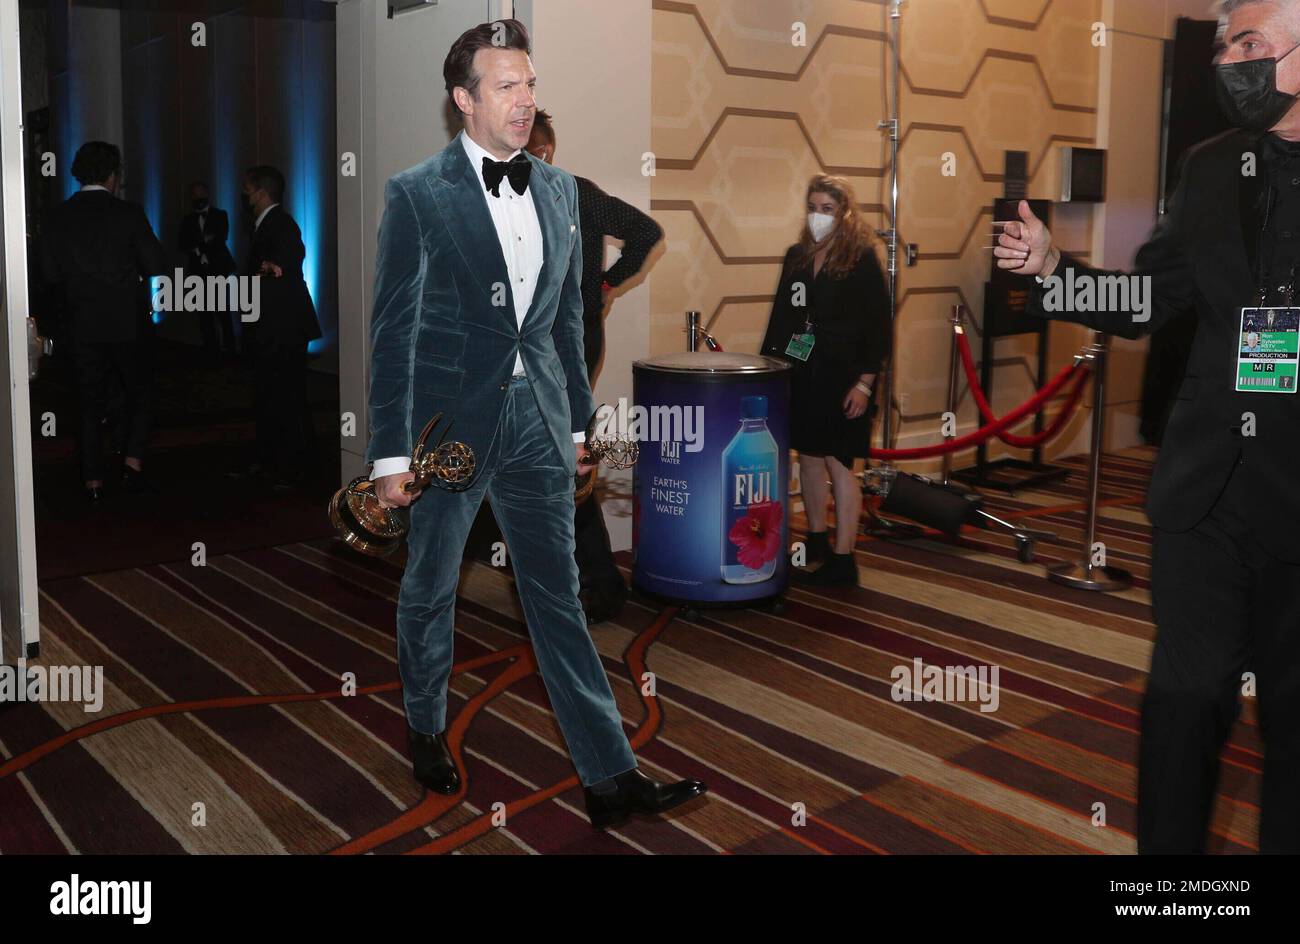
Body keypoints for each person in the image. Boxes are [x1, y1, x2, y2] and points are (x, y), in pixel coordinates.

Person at [365, 19, 705, 829]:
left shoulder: (558, 189)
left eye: (531, 85)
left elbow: (559, 326)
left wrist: (580, 427)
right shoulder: (416, 194)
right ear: (464, 100)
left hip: (538, 424)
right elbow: (393, 331)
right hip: (448, 429)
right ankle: (423, 724)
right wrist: (387, 453)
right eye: (507, 87)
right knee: (431, 585)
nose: (525, 102)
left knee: (558, 598)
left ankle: (609, 776)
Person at [995, 0, 1300, 855]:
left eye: (1251, 43)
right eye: (1225, 45)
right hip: (1205, 492)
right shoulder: (1207, 168)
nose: (1230, 62)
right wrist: (1057, 275)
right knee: (1183, 700)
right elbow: (1149, 300)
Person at [525, 108, 664, 623]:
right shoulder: (524, 195)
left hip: (567, 343)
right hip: (547, 342)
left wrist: (604, 285)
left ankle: (599, 584)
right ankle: (570, 580)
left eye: (531, 149)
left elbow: (646, 231)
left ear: (546, 150)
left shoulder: (575, 192)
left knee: (567, 461)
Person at [760, 174, 891, 586]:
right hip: (804, 371)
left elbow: (879, 327)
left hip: (847, 376)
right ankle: (816, 538)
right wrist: (772, 371)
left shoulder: (861, 259)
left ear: (845, 214)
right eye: (813, 207)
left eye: (828, 209)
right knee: (810, 460)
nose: (819, 216)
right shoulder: (797, 256)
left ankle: (843, 558)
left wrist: (866, 382)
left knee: (840, 464)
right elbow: (783, 317)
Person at [41, 141, 167, 502]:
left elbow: (49, 275)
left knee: (87, 401)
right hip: (128, 323)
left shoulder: (57, 217)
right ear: (113, 175)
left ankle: (92, 480)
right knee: (141, 392)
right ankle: (131, 465)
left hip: (81, 324)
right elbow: (156, 265)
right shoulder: (129, 213)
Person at [241, 165, 321, 489]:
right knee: (274, 395)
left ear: (261, 192)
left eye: (247, 189)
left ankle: (292, 468)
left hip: (282, 329)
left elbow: (289, 259)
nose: (244, 195)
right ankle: (275, 462)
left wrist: (271, 268)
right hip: (274, 328)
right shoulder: (268, 225)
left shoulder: (280, 224)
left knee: (285, 396)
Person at [178, 180, 238, 361]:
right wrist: (204, 244)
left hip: (218, 270)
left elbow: (220, 238)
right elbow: (182, 243)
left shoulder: (220, 215)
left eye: (201, 193)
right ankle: (211, 352)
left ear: (207, 193)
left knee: (222, 312)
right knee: (204, 315)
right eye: (195, 194)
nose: (199, 197)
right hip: (198, 273)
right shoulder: (187, 220)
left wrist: (197, 248)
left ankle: (231, 351)